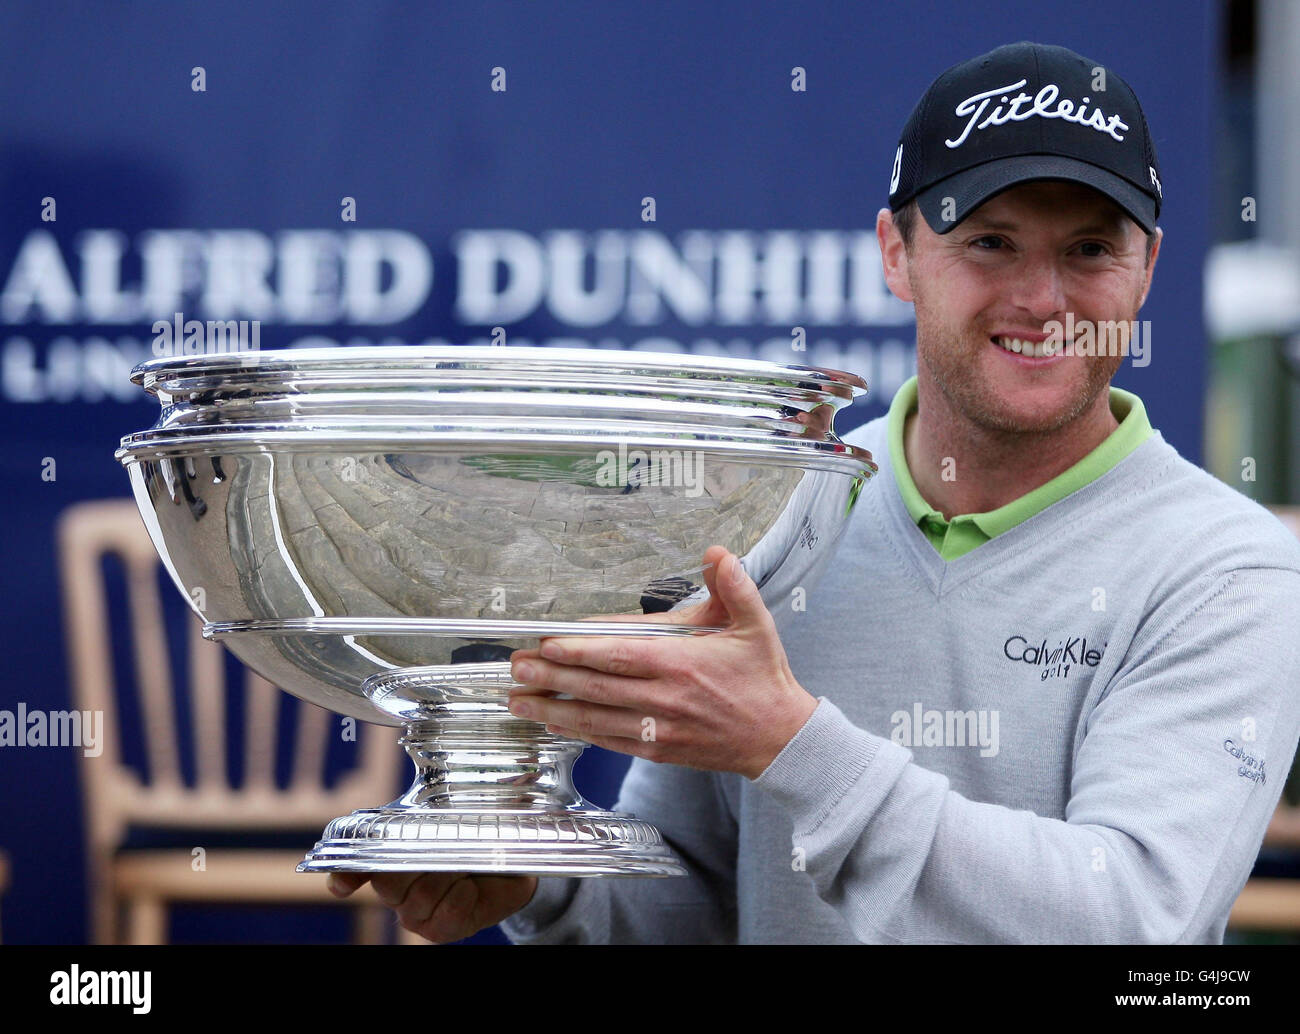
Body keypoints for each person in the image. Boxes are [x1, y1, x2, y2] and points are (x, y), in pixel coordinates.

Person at [328, 41, 1300, 943]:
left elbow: (1131, 923)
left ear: (1147, 268)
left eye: (1089, 250)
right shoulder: (782, 514)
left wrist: (791, 743)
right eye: (990, 242)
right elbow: (693, 899)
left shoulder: (1229, 573)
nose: (1043, 300)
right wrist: (543, 887)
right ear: (895, 253)